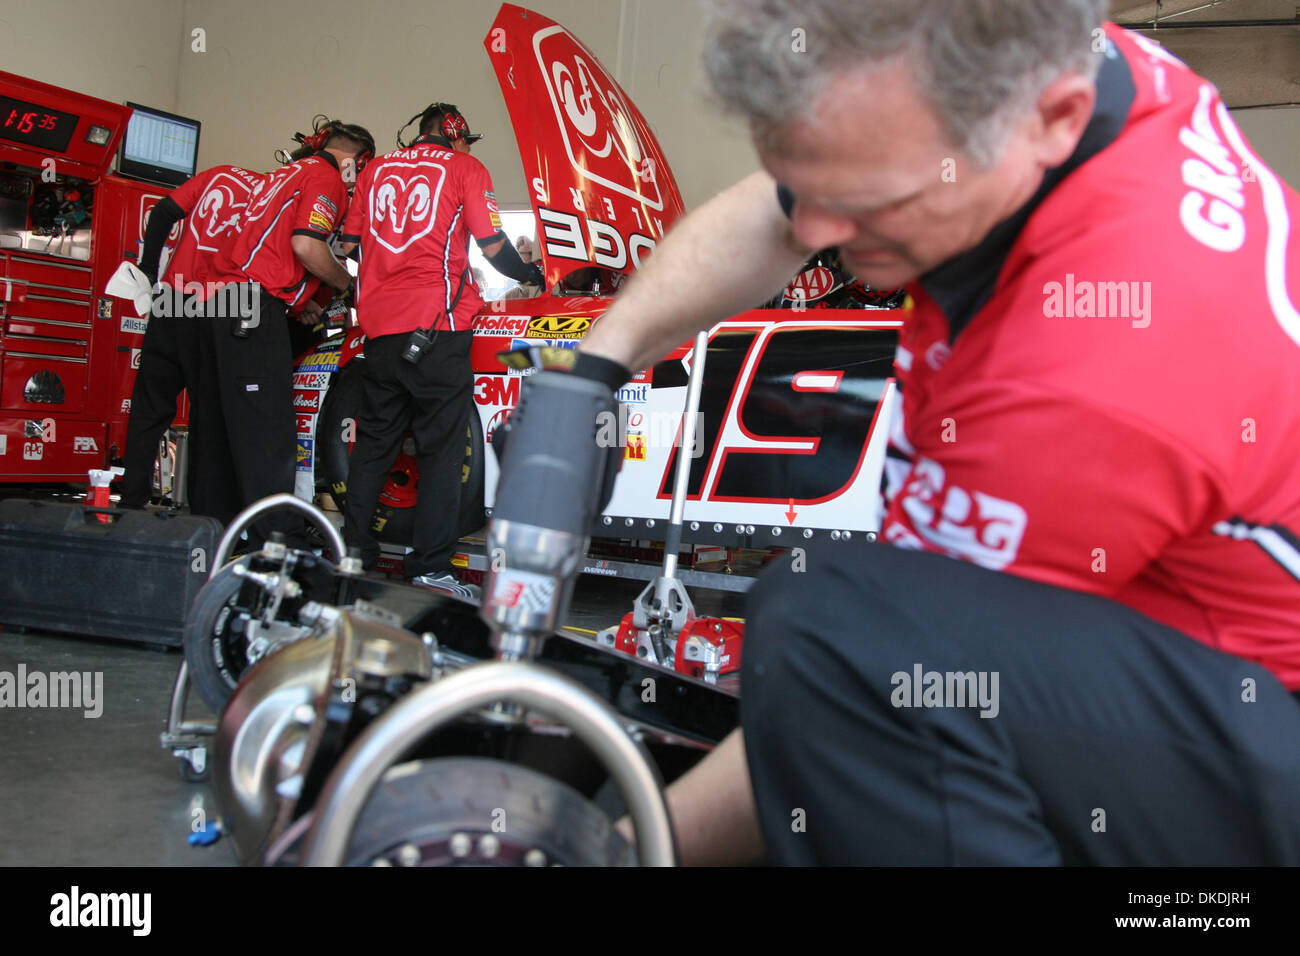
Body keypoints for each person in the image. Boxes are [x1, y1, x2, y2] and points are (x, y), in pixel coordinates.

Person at [496, 0, 1300, 864]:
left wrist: (611, 853)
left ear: (1050, 121)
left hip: (1268, 747)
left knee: (825, 625)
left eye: (867, 203)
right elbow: (787, 206)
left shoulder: (1087, 375)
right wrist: (599, 364)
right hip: (1195, 674)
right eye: (807, 184)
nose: (815, 236)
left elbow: (872, 690)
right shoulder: (1062, 70)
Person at [336, 102, 543, 592]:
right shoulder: (465, 168)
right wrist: (532, 273)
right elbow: (492, 244)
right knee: (442, 453)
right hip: (438, 330)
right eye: (467, 139)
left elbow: (346, 246)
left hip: (380, 334)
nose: (469, 147)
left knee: (372, 448)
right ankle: (430, 567)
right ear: (454, 134)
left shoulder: (376, 169)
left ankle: (351, 555)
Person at [198, 117, 374, 540]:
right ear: (356, 162)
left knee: (224, 427)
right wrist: (350, 286)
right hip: (251, 310)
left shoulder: (285, 173)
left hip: (223, 304)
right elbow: (306, 245)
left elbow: (272, 247)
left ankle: (217, 533)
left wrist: (299, 302)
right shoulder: (326, 177)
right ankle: (275, 537)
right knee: (271, 427)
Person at [119, 162, 265, 515]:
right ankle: (205, 516)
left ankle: (130, 501)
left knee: (149, 408)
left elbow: (162, 213)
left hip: (174, 296)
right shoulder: (274, 192)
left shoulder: (219, 173)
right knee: (209, 415)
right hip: (226, 303)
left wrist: (149, 275)